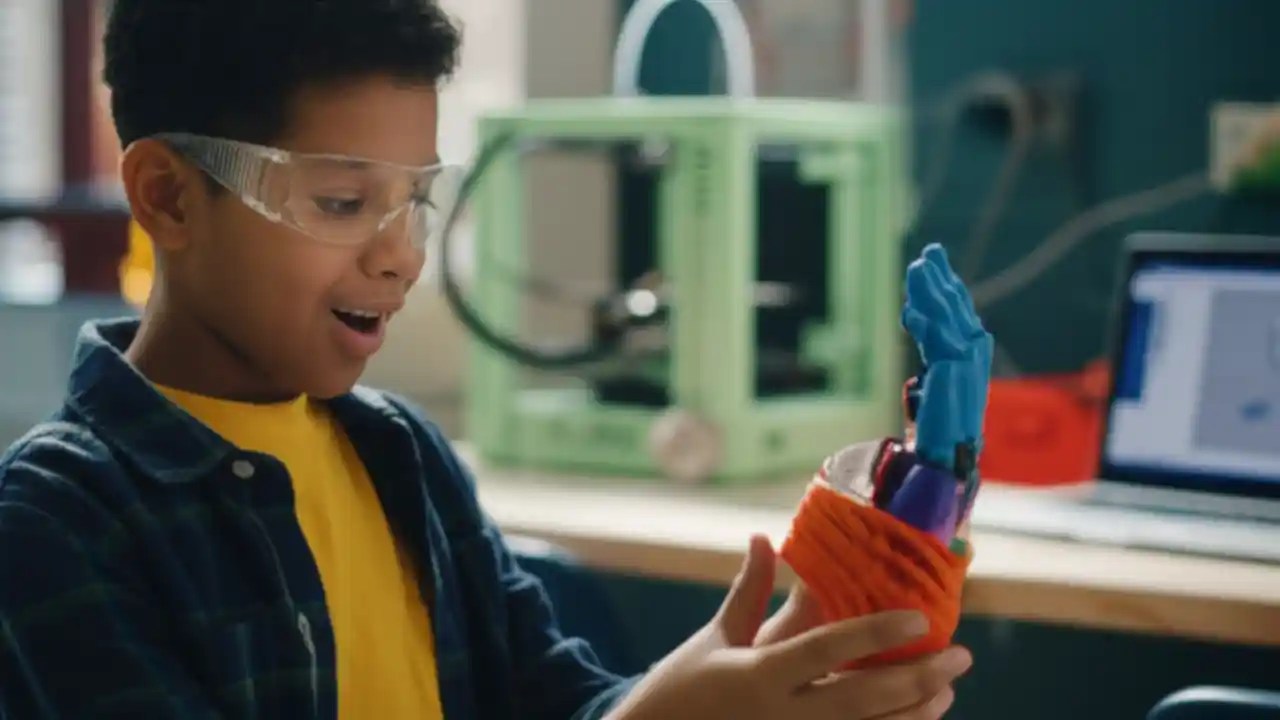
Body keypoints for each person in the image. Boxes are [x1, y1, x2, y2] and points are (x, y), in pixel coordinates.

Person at [0, 1, 972, 718]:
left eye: (414, 200)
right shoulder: (54, 526)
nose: (400, 253)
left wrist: (745, 692)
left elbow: (558, 703)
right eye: (341, 203)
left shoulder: (399, 457)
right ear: (168, 197)